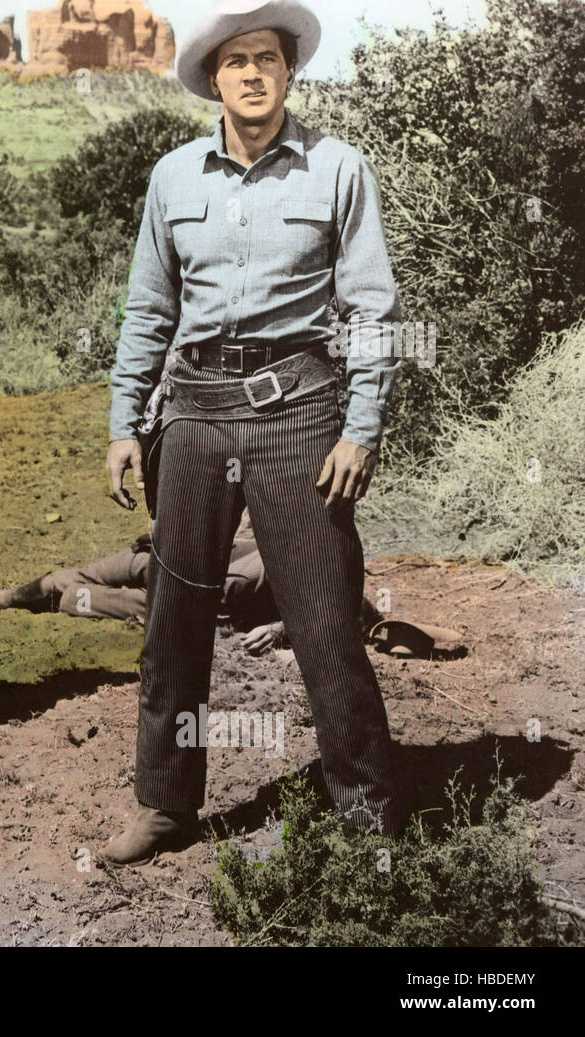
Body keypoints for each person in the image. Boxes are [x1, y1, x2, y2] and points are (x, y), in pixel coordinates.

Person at [102, 0, 409, 865]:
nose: (251, 73)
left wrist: (362, 426)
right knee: (175, 619)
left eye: (266, 58)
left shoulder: (338, 169)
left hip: (300, 410)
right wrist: (127, 419)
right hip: (193, 415)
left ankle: (368, 810)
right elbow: (148, 311)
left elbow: (375, 312)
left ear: (288, 71)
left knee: (323, 618)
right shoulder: (173, 179)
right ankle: (164, 802)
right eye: (234, 60)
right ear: (213, 78)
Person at [0, 511, 380, 654]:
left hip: (191, 603)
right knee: (86, 577)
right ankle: (15, 597)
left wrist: (275, 630)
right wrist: (170, 535)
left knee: (89, 597)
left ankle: (58, 599)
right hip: (169, 556)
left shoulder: (325, 577)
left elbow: (339, 615)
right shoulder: (275, 523)